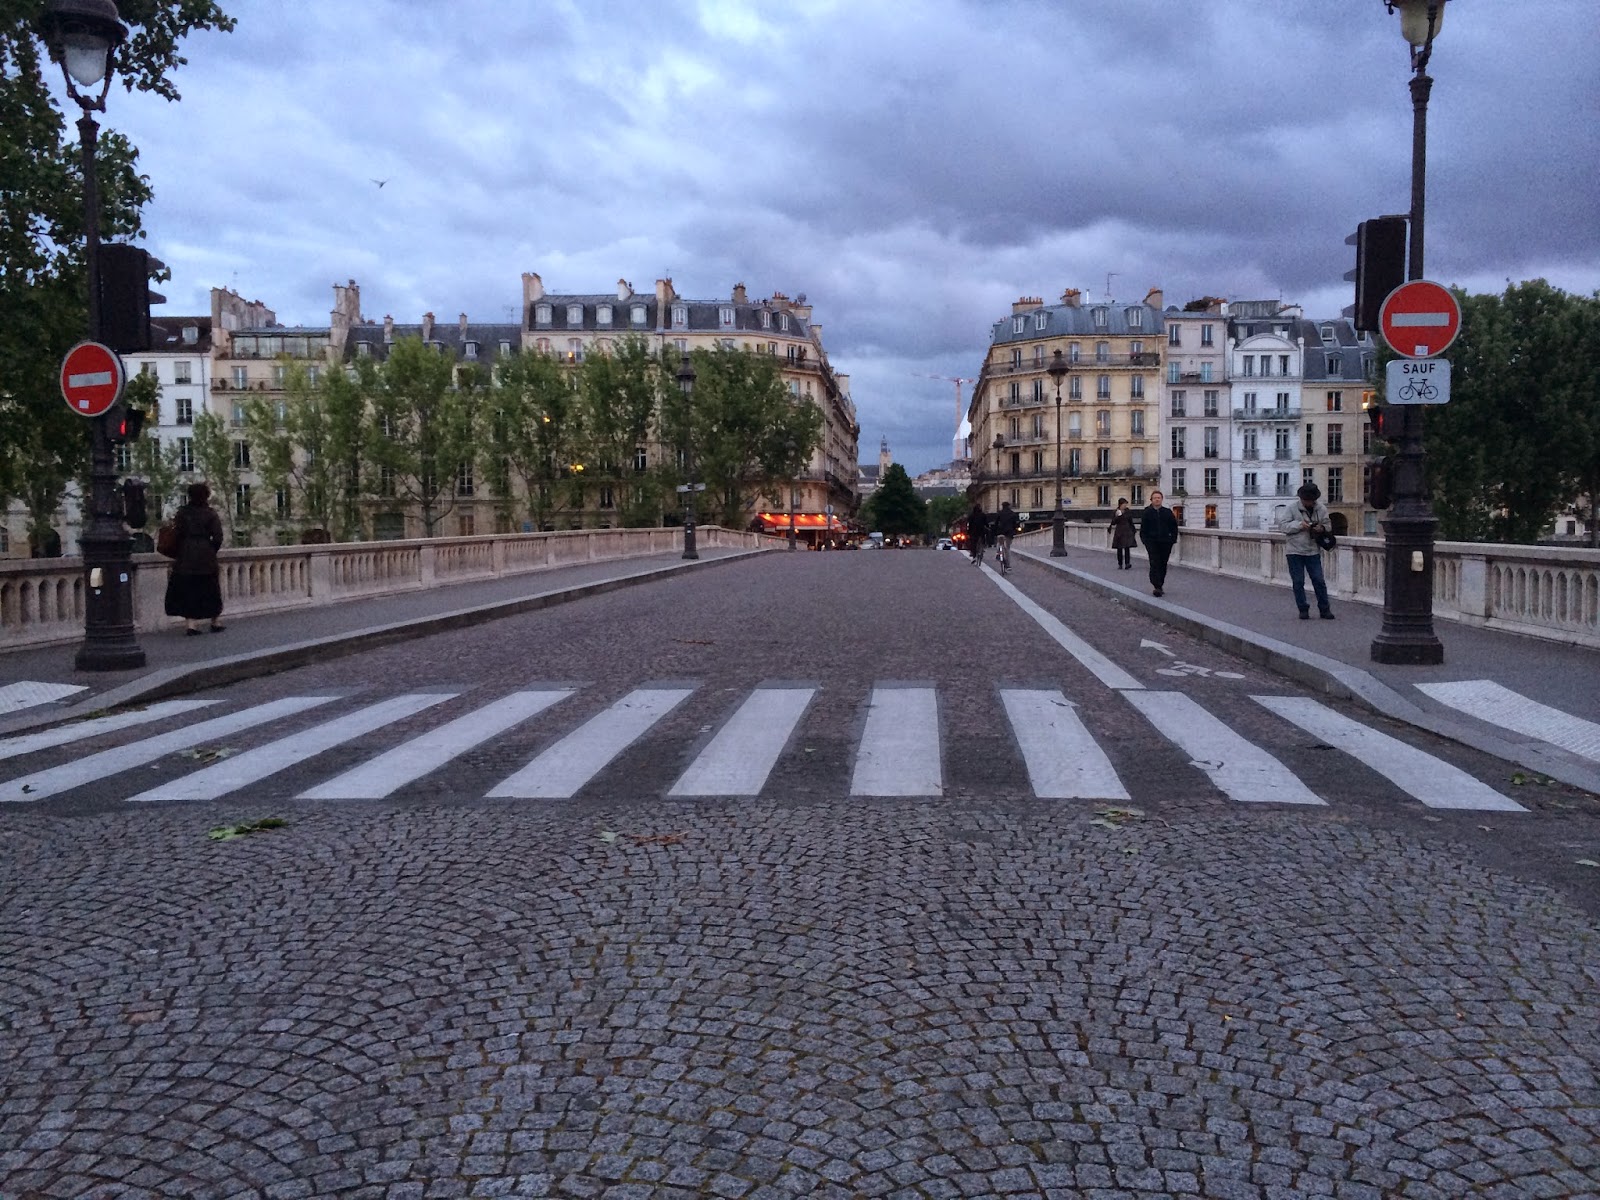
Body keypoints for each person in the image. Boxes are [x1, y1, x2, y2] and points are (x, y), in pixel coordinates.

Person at [164, 482, 226, 635]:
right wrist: (210, 550)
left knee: (188, 589)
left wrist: (180, 551)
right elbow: (218, 536)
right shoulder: (210, 513)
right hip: (206, 555)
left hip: (186, 554)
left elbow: (176, 534)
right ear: (206, 496)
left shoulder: (182, 513)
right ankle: (215, 621)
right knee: (210, 588)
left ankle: (191, 624)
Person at [1277, 483, 1335, 620]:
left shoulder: (1321, 509)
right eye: (1306, 500)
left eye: (1310, 500)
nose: (1308, 502)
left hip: (1313, 550)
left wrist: (1321, 528)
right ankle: (1303, 609)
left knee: (1319, 581)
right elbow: (1283, 526)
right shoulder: (1292, 508)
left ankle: (1324, 609)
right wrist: (1299, 525)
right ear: (1301, 498)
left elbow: (1328, 525)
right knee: (1298, 582)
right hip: (1294, 551)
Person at [1138, 489, 1179, 597]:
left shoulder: (1167, 512)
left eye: (1159, 498)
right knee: (1154, 562)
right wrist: (1145, 540)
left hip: (1165, 542)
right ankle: (1157, 585)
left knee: (1163, 564)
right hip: (1152, 542)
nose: (1157, 500)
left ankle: (1160, 584)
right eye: (1155, 498)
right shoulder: (1147, 512)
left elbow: (1174, 527)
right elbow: (1143, 528)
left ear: (1162, 500)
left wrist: (1172, 539)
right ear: (1151, 500)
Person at [1107, 497, 1137, 570]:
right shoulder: (1116, 512)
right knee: (1119, 548)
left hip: (1127, 531)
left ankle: (1127, 563)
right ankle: (1120, 564)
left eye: (1125, 504)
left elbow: (1130, 521)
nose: (1125, 506)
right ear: (1120, 504)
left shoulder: (1128, 511)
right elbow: (1113, 522)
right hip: (1119, 532)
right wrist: (1118, 516)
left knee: (1127, 548)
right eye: (1124, 504)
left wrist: (1133, 530)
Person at [993, 501, 1020, 572]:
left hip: (1001, 531)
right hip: (1009, 533)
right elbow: (1015, 524)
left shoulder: (999, 513)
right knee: (1007, 548)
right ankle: (1008, 566)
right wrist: (1014, 531)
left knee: (999, 542)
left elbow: (996, 523)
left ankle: (997, 553)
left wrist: (994, 531)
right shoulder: (1012, 514)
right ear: (1009, 506)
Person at [966, 502, 988, 566]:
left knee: (973, 543)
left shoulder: (971, 516)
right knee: (983, 540)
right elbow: (986, 523)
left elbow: (969, 525)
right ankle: (983, 548)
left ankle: (974, 556)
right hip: (981, 531)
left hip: (973, 532)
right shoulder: (983, 515)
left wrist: (968, 532)